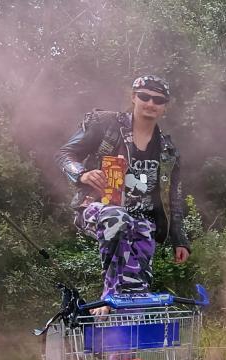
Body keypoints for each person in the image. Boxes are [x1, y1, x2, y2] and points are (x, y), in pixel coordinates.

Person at [56, 75, 190, 314]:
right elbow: (65, 154)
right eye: (144, 97)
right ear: (133, 97)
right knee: (117, 218)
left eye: (158, 100)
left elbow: (173, 198)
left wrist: (180, 240)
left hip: (143, 222)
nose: (150, 103)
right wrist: (82, 174)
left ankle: (115, 340)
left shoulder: (168, 150)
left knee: (136, 298)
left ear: (164, 107)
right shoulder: (105, 125)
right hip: (99, 208)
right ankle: (108, 297)